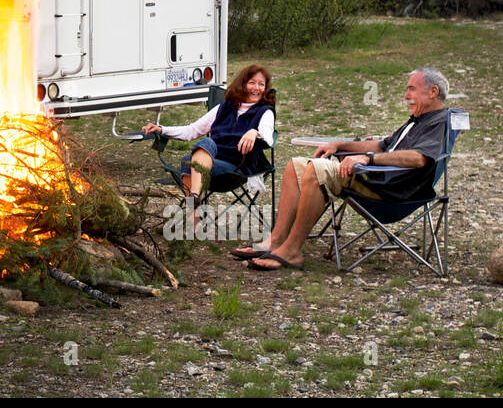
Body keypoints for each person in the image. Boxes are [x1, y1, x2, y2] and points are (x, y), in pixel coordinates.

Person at [234, 66, 452, 271]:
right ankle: (276, 241)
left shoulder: (438, 121)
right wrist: (339, 145)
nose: (406, 96)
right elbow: (382, 145)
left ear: (433, 92)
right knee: (296, 166)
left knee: (318, 169)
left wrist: (369, 159)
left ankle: (292, 251)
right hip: (376, 179)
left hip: (392, 190)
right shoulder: (416, 120)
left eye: (411, 89)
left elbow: (419, 159)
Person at [142, 64, 276, 204]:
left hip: (237, 168)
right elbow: (192, 130)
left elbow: (268, 138)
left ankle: (193, 198)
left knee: (192, 160)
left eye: (261, 84)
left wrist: (255, 133)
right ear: (242, 84)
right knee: (198, 151)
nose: (256, 88)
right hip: (212, 160)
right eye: (252, 83)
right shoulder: (224, 107)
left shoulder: (264, 112)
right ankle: (194, 218)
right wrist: (162, 129)